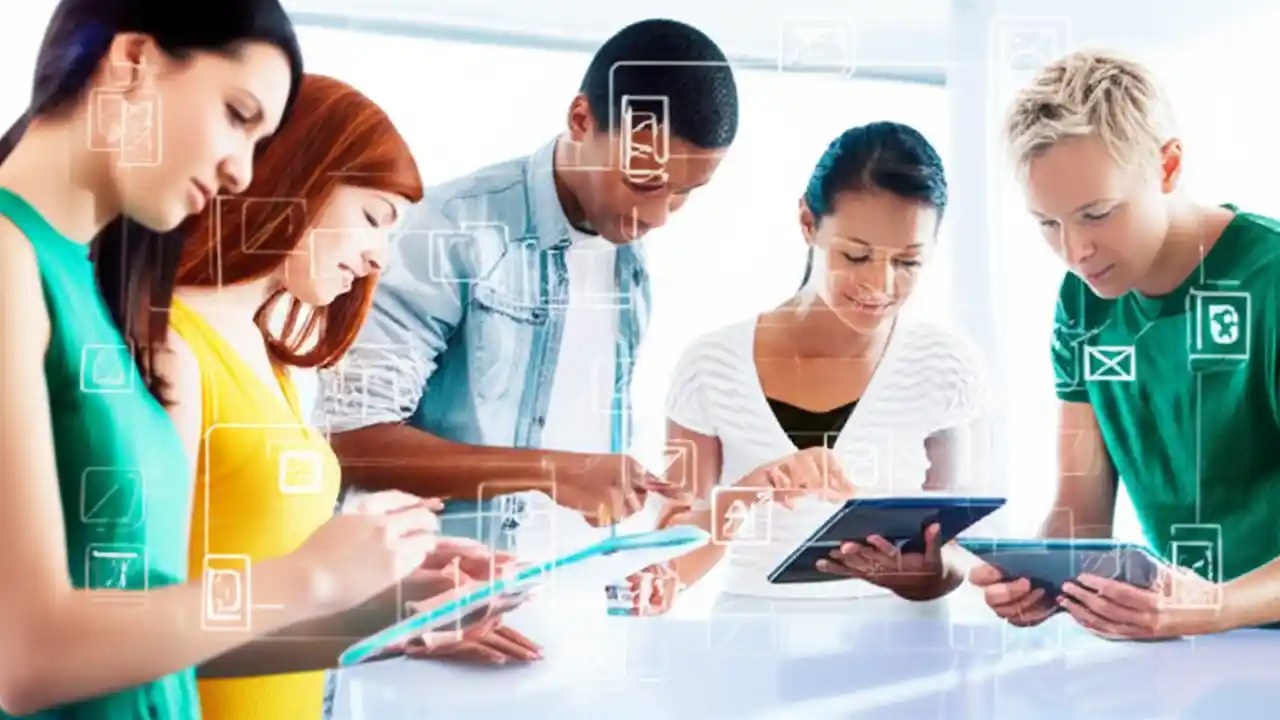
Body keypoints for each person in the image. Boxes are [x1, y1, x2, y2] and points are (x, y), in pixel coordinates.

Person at [0, 2, 440, 717]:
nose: (241, 172)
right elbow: (26, 658)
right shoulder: (10, 260)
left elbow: (160, 631)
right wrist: (308, 577)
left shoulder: (96, 298)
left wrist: (386, 603)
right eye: (238, 115)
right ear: (134, 61)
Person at [167, 73, 538, 720]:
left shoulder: (268, 363)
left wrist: (398, 619)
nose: (379, 259)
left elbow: (251, 615)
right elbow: (137, 639)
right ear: (293, 178)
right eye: (374, 218)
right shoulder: (174, 350)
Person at [315, 18, 739, 549]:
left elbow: (578, 444)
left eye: (684, 192)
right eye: (642, 182)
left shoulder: (631, 261)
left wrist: (640, 497)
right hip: (442, 607)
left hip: (572, 598)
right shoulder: (452, 229)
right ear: (581, 119)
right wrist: (553, 471)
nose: (659, 216)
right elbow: (351, 444)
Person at [970, 50, 1280, 638]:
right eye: (1047, 222)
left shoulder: (1272, 281)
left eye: (1097, 213)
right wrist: (1038, 579)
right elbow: (1080, 507)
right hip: (1195, 651)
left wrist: (1212, 606)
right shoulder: (1081, 302)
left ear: (1167, 166)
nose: (1074, 249)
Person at [637, 122, 991, 612]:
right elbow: (662, 567)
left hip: (907, 651)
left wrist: (923, 574)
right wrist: (751, 489)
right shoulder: (710, 366)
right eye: (856, 254)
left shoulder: (946, 365)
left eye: (908, 262)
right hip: (752, 648)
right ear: (808, 221)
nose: (880, 284)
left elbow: (957, 549)